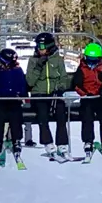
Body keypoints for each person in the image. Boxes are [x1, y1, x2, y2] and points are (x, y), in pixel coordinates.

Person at [24, 32, 72, 160]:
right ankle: (48, 144)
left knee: (61, 114)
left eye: (43, 47)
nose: (40, 49)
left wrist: (60, 88)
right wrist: (39, 66)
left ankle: (62, 145)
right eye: (38, 47)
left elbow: (64, 78)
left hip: (54, 94)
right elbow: (30, 81)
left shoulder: (58, 60)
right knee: (42, 116)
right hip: (39, 94)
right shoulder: (33, 61)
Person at [72, 41, 102, 160]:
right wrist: (84, 94)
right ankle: (88, 140)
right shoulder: (82, 68)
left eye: (94, 60)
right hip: (88, 98)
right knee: (87, 116)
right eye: (90, 60)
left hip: (99, 97)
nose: (92, 63)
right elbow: (76, 84)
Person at [0, 48, 30, 166]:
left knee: (15, 115)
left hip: (14, 99)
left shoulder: (17, 71)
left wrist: (24, 97)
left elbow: (22, 85)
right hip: (1, 99)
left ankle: (16, 140)